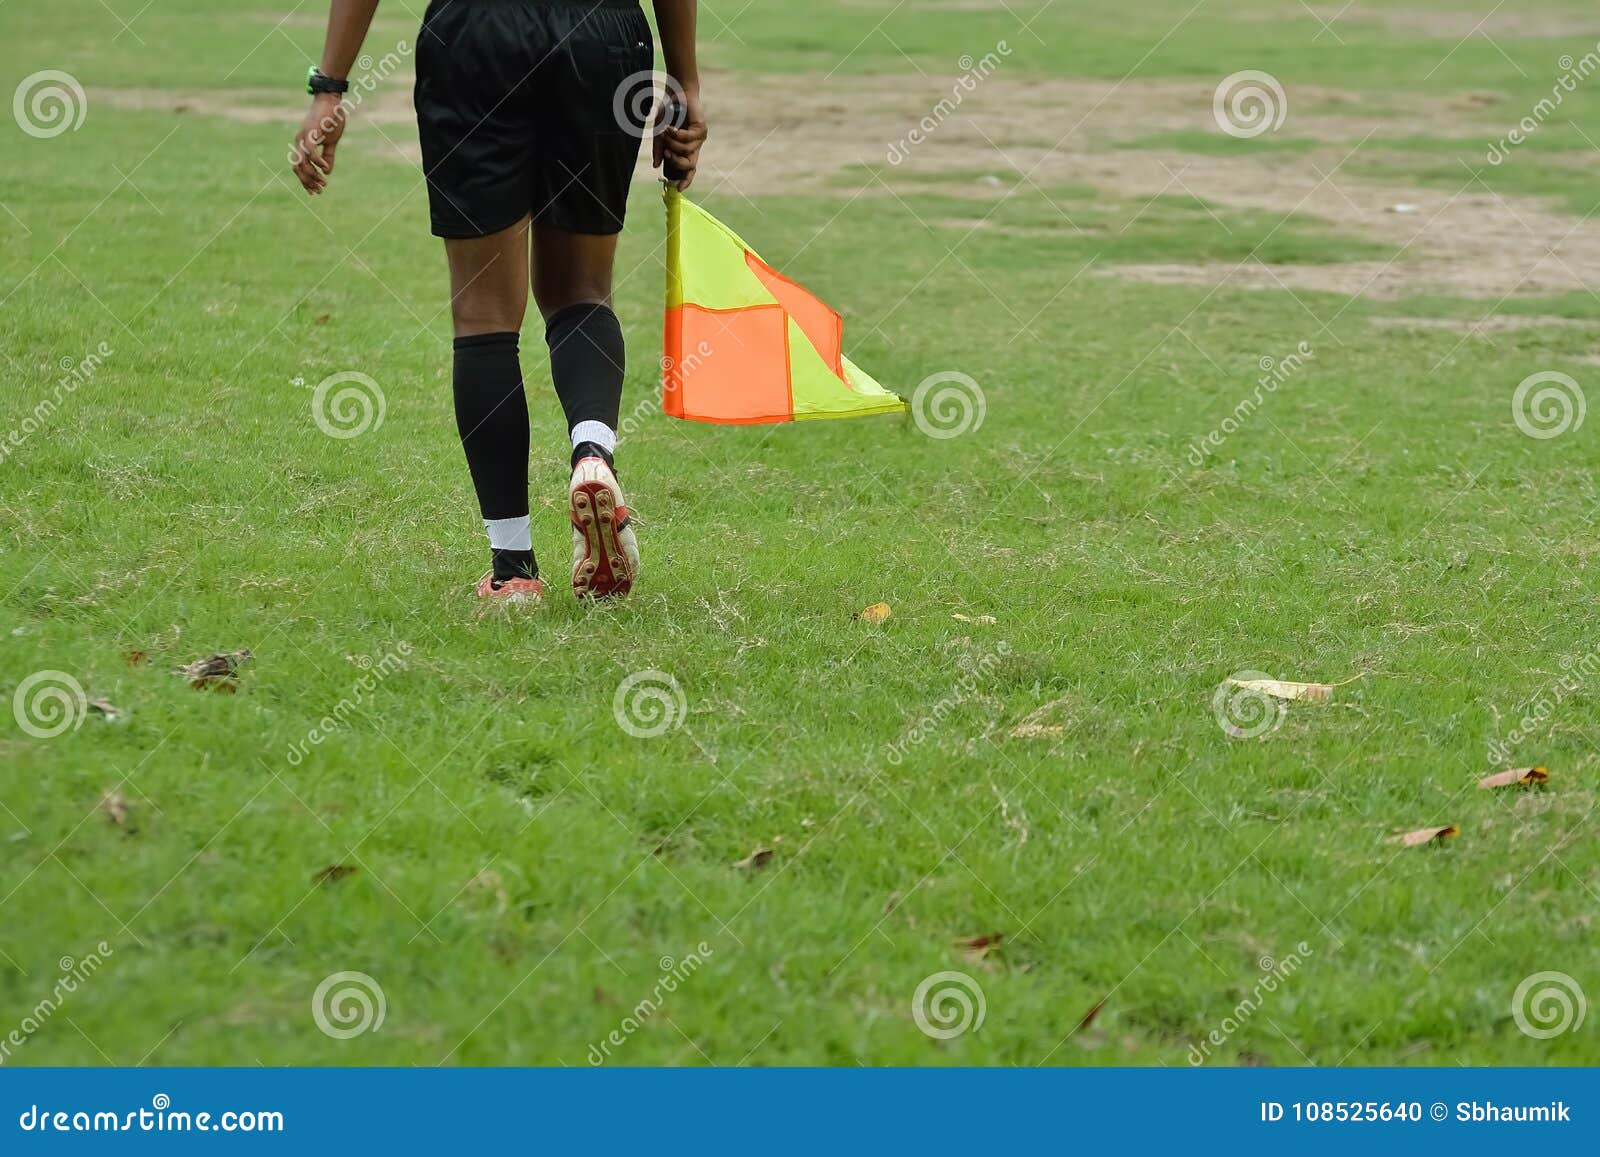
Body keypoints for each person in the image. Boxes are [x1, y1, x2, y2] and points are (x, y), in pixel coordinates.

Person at [291, 0, 707, 603]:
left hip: (476, 36)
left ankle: (513, 570)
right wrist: (685, 83)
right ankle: (592, 452)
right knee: (582, 292)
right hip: (601, 38)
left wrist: (329, 88)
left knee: (483, 313)